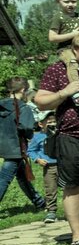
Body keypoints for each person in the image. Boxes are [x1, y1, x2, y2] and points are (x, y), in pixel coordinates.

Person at [34, 32, 79, 245]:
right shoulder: (58, 70)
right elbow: (41, 101)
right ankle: (77, 235)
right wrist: (64, 92)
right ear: (75, 50)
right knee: (73, 187)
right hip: (72, 137)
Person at [0, 77, 44, 212]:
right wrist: (31, 136)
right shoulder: (23, 108)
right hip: (16, 147)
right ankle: (40, 202)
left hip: (4, 145)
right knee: (4, 178)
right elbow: (25, 127)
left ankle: (39, 202)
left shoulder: (1, 105)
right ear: (23, 90)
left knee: (22, 176)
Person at [46, 0, 79, 84]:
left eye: (73, 1)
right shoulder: (58, 17)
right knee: (72, 62)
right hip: (65, 49)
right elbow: (52, 38)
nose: (70, 4)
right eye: (66, 2)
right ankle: (75, 88)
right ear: (58, 1)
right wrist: (73, 34)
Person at [28, 112, 58, 223]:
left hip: (63, 165)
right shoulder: (38, 137)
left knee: (69, 188)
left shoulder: (60, 134)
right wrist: (37, 159)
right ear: (41, 124)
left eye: (54, 121)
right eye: (49, 122)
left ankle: (72, 209)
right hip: (49, 166)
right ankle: (51, 211)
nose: (52, 124)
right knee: (50, 189)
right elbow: (31, 150)